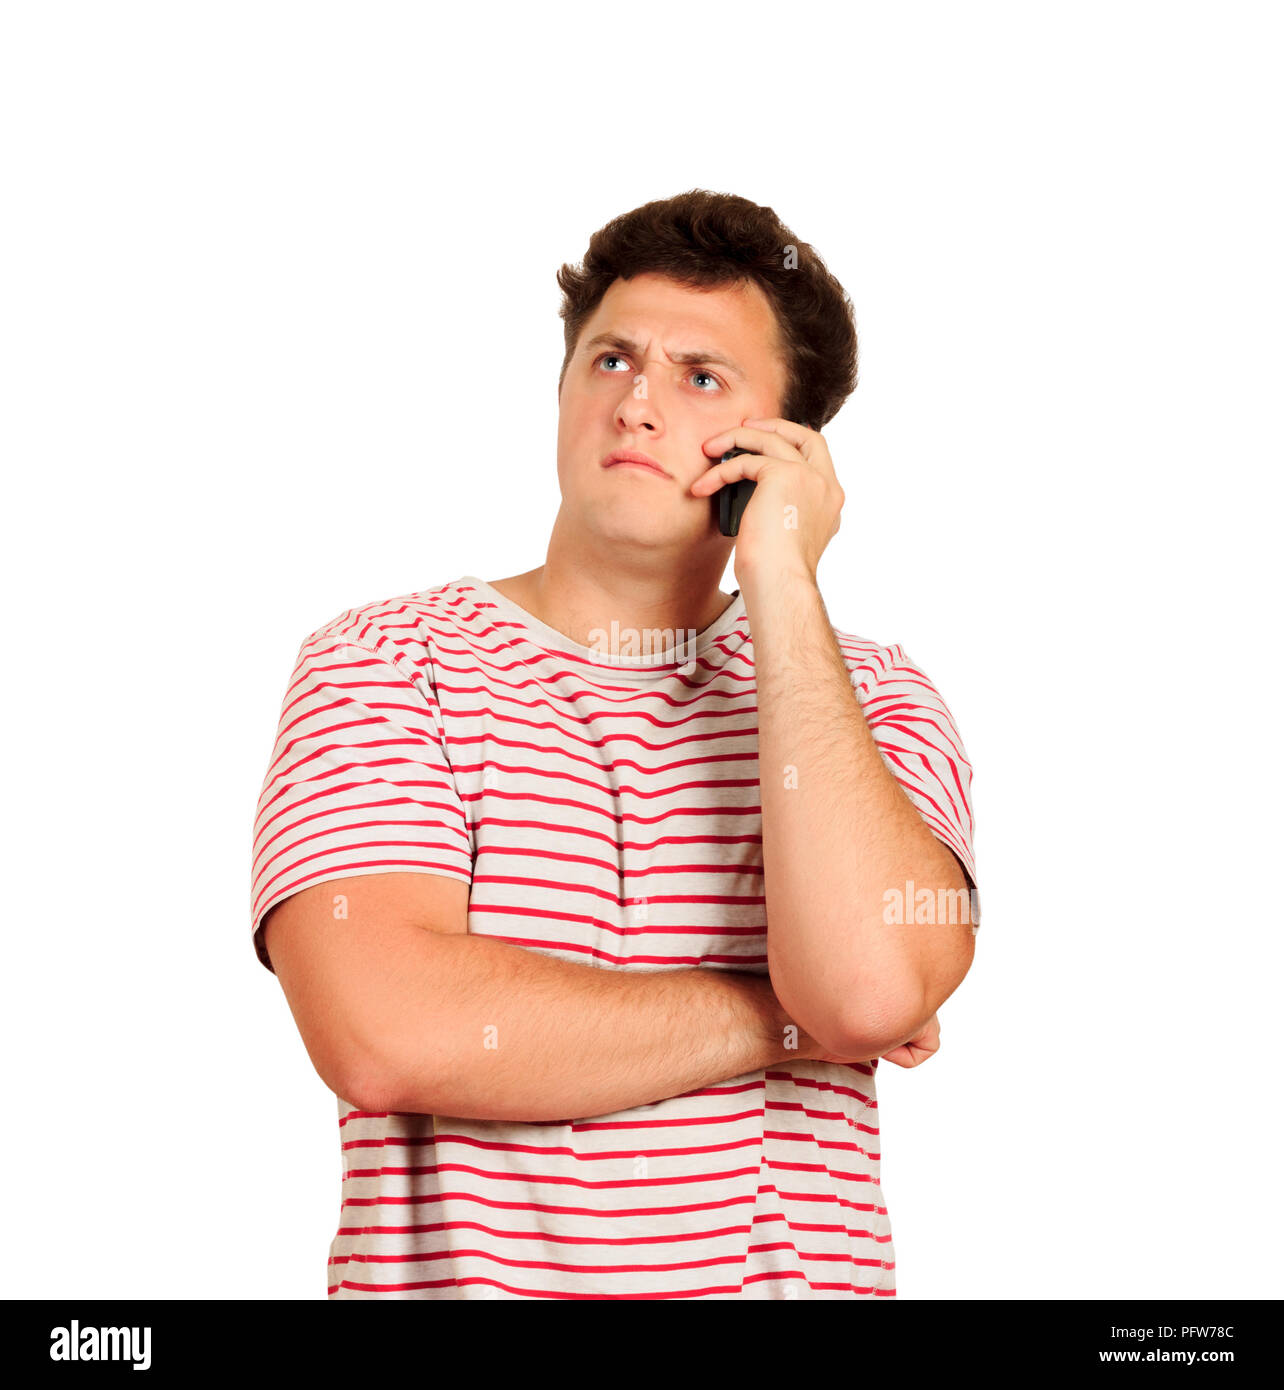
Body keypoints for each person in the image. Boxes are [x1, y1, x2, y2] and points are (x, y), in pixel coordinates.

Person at [250, 189, 980, 1300]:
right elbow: (386, 1029)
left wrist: (780, 572)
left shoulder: (873, 695)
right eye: (610, 361)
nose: (637, 404)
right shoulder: (384, 662)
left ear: (786, 450)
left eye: (700, 378)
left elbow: (872, 987)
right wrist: (783, 1019)